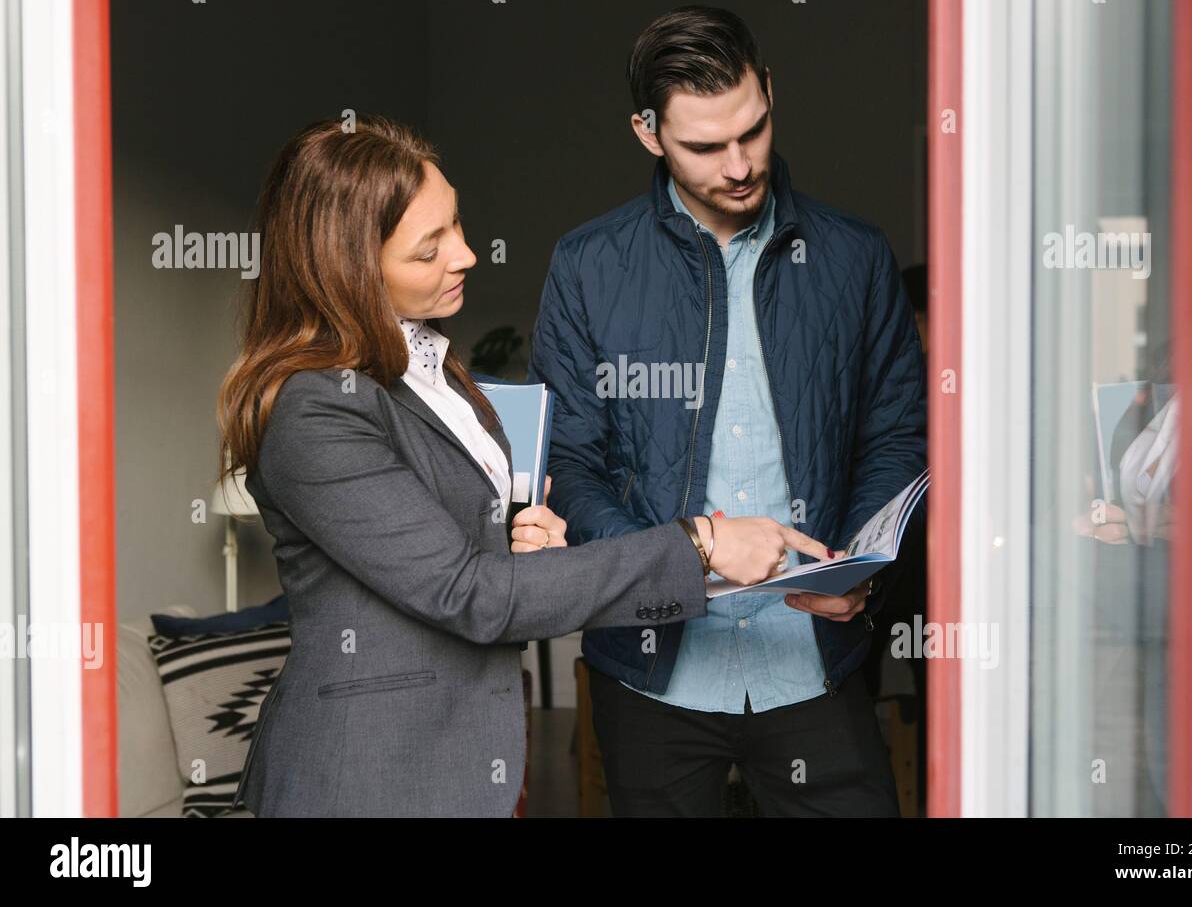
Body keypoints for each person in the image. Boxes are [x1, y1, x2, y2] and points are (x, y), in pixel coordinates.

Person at [218, 114, 826, 817]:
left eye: (457, 225)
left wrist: (518, 543)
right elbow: (467, 594)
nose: (467, 255)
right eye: (428, 249)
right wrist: (701, 544)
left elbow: (465, 556)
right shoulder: (311, 408)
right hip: (367, 778)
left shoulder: (436, 372)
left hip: (460, 765)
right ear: (348, 271)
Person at [528, 6, 927, 816]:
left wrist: (862, 570)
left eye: (753, 129)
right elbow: (570, 463)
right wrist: (687, 560)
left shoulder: (855, 256)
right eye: (704, 148)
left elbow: (895, 438)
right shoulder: (587, 266)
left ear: (770, 91)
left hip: (817, 660)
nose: (740, 165)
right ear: (647, 133)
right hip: (652, 674)